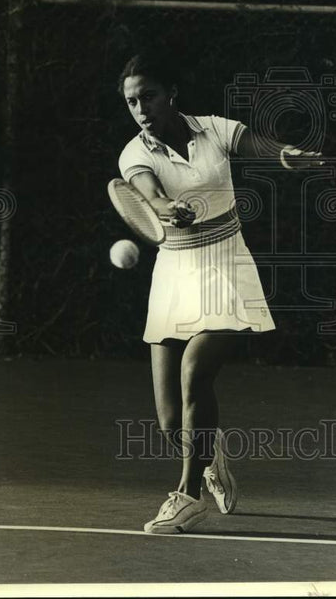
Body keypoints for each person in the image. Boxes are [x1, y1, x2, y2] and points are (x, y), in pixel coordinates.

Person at [117, 51, 323, 534]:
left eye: (148, 96)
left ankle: (187, 496)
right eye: (131, 101)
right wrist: (168, 208)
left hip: (227, 263)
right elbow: (149, 193)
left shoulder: (212, 129)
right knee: (171, 423)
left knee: (196, 370)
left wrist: (283, 154)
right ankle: (210, 455)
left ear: (171, 94)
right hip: (175, 272)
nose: (141, 108)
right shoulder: (134, 154)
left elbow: (255, 143)